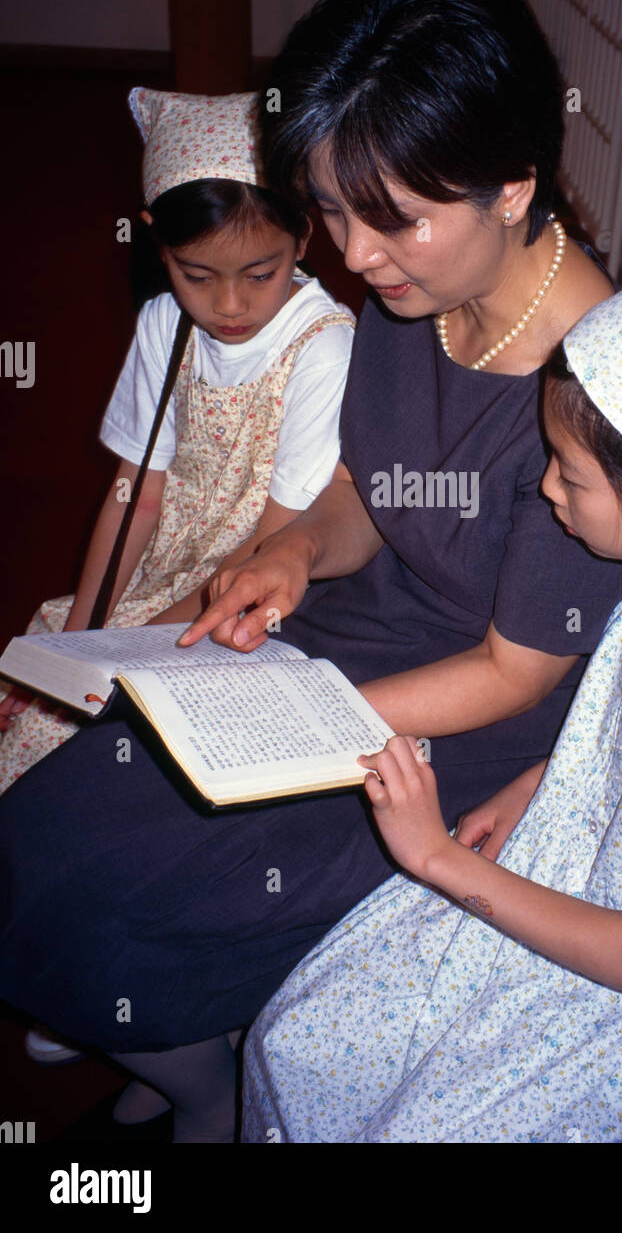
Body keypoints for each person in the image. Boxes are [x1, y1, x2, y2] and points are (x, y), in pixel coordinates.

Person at [0, 0, 622, 1144]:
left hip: (459, 718)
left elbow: (520, 671)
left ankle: (200, 1074)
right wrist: (296, 548)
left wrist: (301, 719)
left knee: (116, 886)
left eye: (388, 219)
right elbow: (362, 485)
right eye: (333, 211)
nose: (353, 255)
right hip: (352, 642)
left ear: (512, 187)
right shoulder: (420, 296)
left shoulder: (594, 384)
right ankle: (186, 1050)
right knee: (50, 831)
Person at [242, 250, 622, 1144]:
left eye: (569, 473)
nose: (545, 488)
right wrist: (534, 782)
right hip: (590, 855)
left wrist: (438, 861)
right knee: (302, 1040)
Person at [0, 86, 355, 794]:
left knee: (67, 750)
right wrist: (78, 644)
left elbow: (271, 548)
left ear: (304, 239)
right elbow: (137, 496)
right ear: (155, 240)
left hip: (251, 596)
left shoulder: (323, 344)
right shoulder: (165, 322)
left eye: (261, 274)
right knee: (28, 687)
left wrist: (129, 661)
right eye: (197, 275)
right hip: (167, 579)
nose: (228, 306)